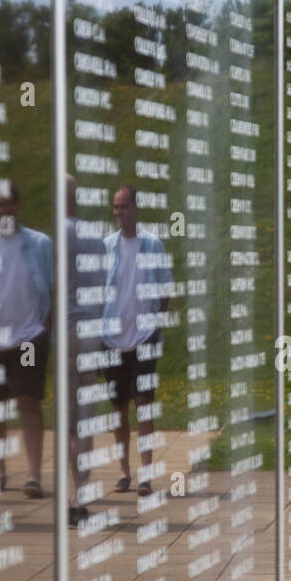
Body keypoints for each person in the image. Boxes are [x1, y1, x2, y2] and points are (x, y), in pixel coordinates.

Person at [0, 183, 53, 498]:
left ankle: (33, 474)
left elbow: (54, 288)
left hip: (29, 339)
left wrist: (44, 326)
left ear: (17, 207)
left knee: (28, 402)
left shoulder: (39, 244)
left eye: (2, 205)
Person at [102, 185, 173, 496]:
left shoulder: (152, 244)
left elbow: (165, 289)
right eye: (116, 208)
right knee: (118, 409)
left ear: (136, 209)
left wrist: (155, 325)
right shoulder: (106, 246)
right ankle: (123, 471)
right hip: (112, 338)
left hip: (144, 335)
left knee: (144, 405)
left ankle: (145, 473)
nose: (119, 213)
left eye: (124, 207)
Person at [65, 175, 113, 525]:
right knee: (85, 416)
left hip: (67, 329)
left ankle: (71, 496)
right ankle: (81, 492)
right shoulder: (96, 237)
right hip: (92, 331)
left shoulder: (58, 235)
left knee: (69, 421)